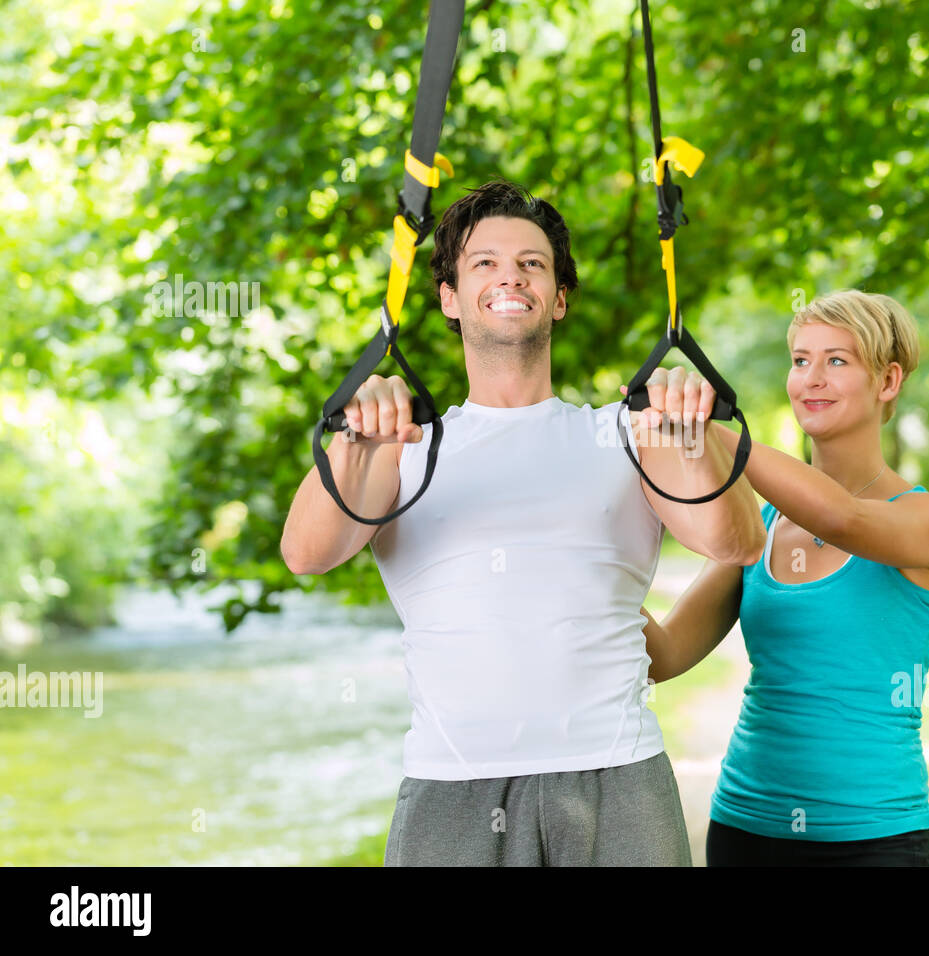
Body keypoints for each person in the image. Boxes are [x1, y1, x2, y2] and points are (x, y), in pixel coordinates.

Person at [279, 180, 766, 866]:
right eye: (485, 262)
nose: (511, 274)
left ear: (559, 298)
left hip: (617, 775)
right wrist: (357, 438)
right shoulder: (405, 445)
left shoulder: (626, 431)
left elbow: (736, 540)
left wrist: (693, 430)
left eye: (532, 263)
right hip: (452, 786)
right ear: (449, 297)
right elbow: (305, 553)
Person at [635, 290, 929, 866]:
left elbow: (842, 516)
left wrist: (711, 430)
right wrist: (591, 572)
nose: (811, 378)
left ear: (887, 381)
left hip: (873, 840)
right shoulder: (759, 528)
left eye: (837, 361)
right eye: (800, 360)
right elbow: (663, 657)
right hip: (745, 829)